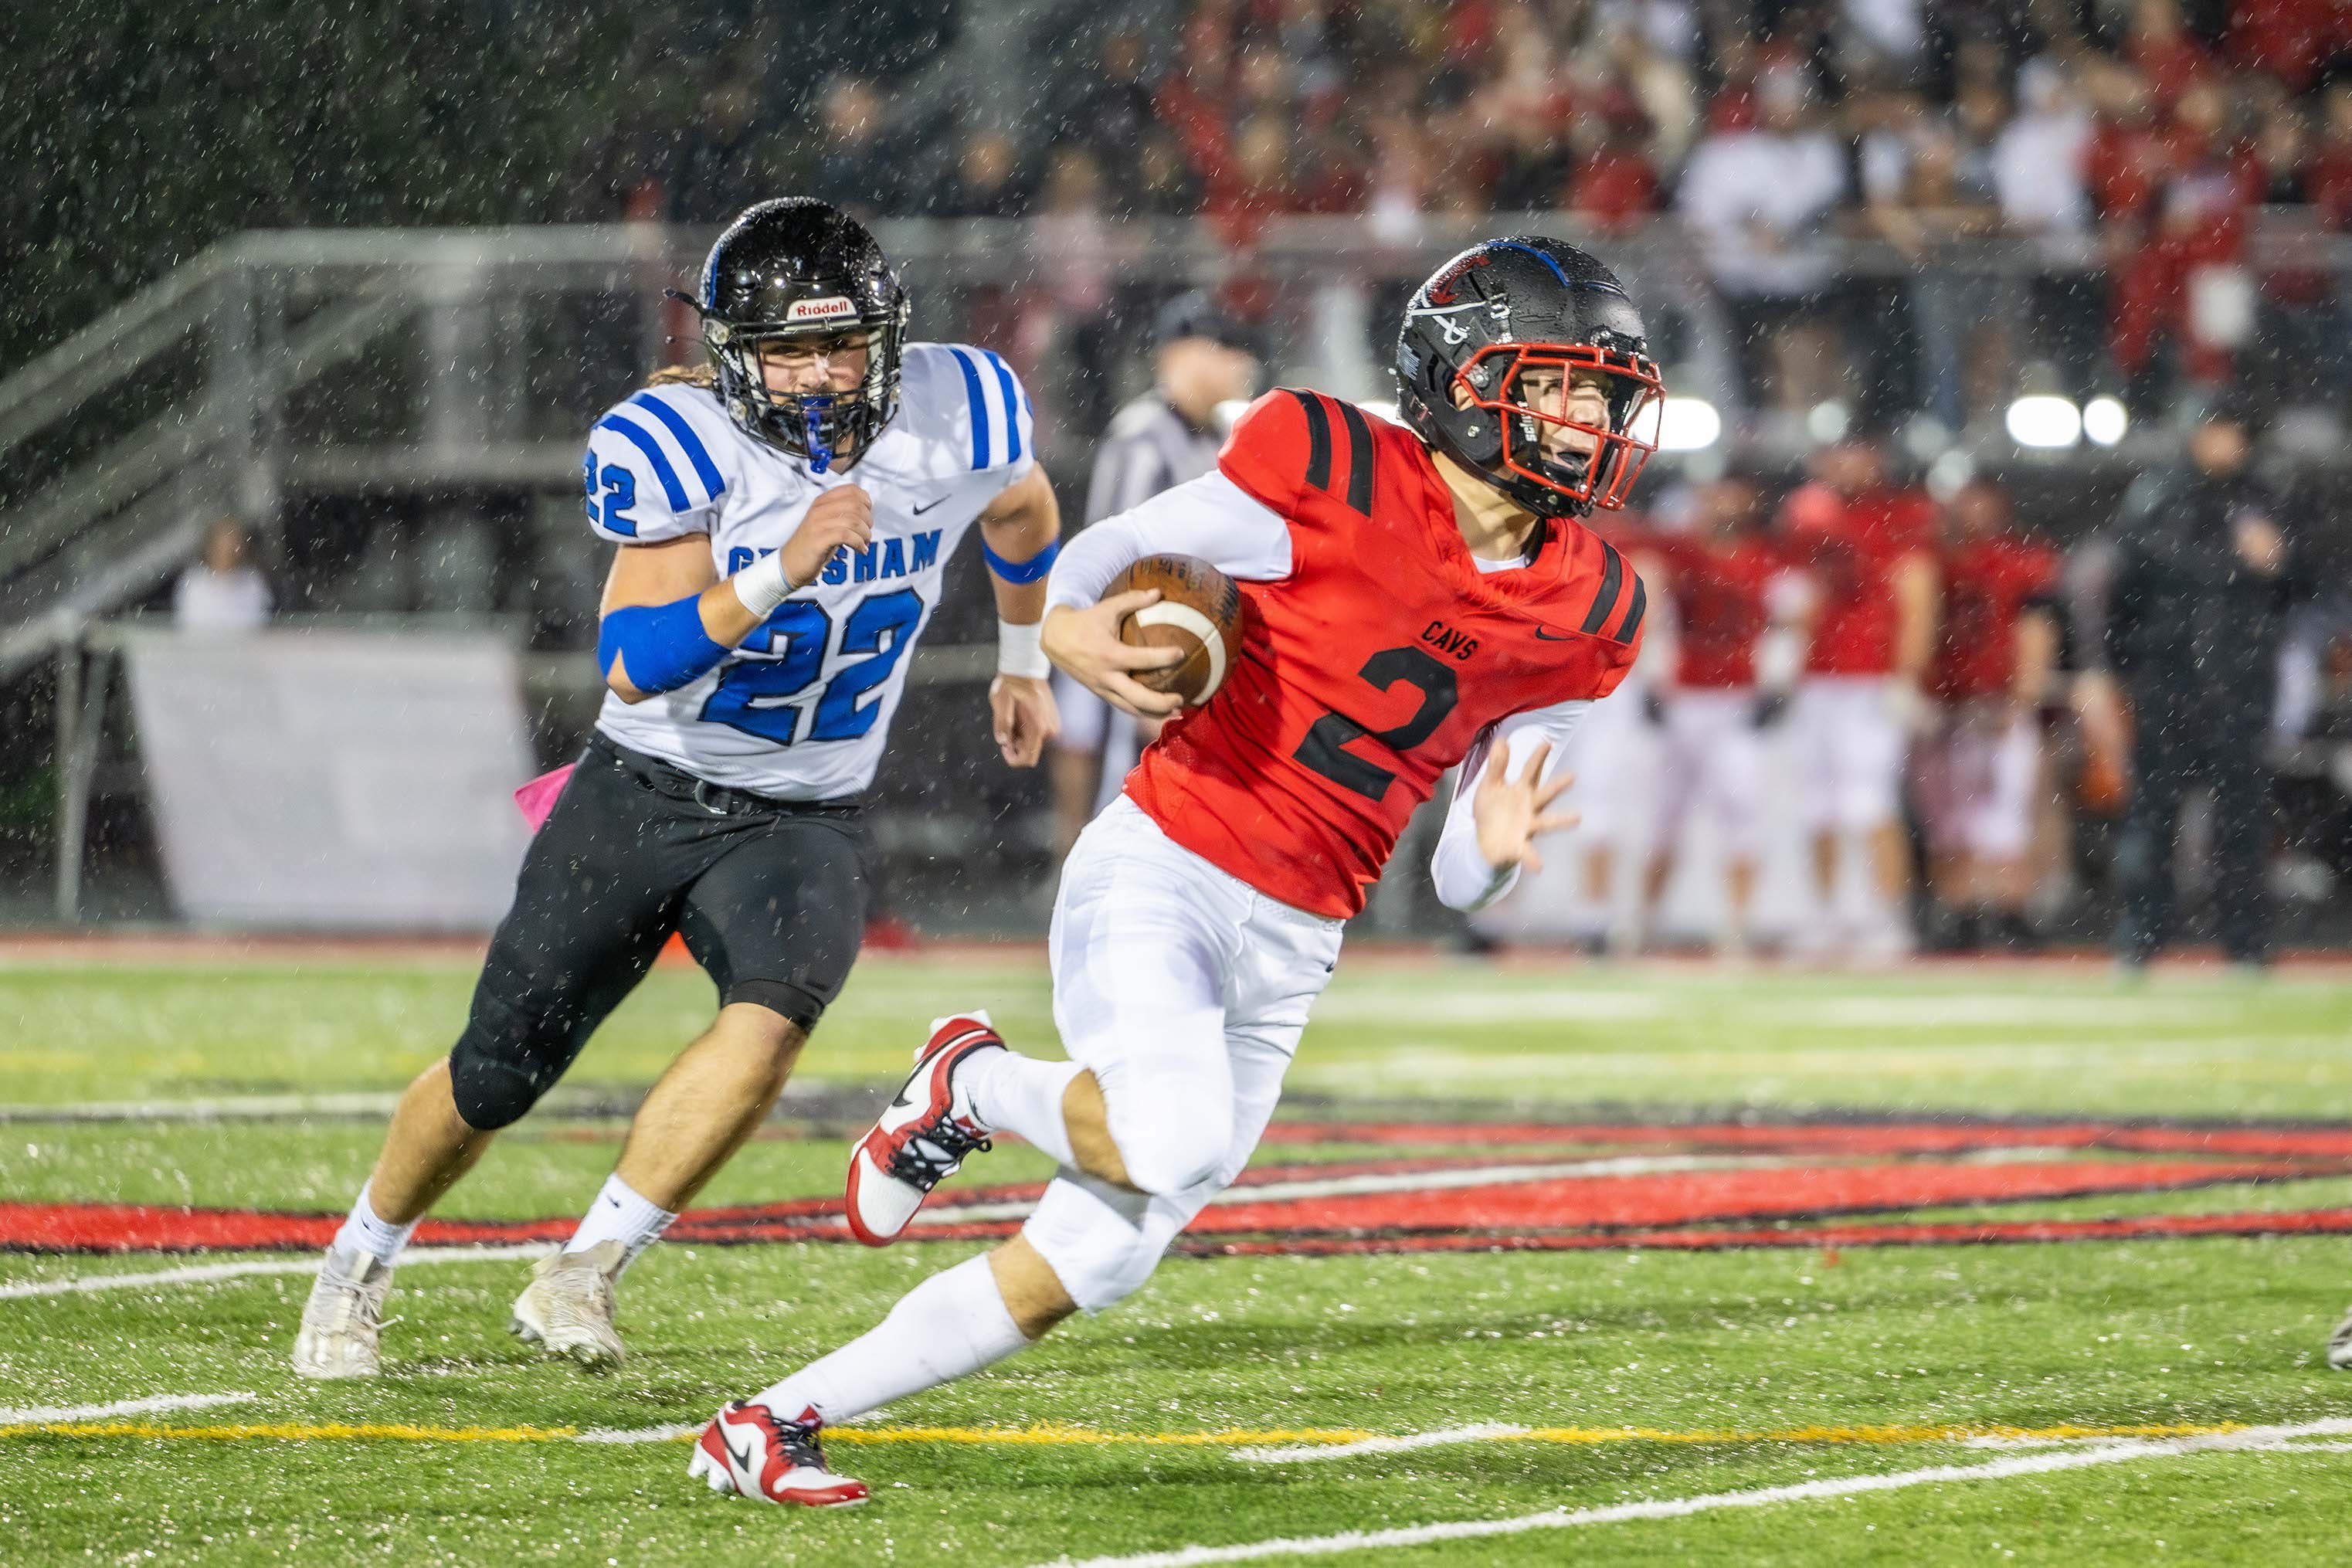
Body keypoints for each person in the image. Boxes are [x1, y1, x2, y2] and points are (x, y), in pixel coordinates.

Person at [689, 237, 1665, 1506]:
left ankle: (771, 1423)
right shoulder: (1329, 462)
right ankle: (969, 1081)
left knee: (1100, 1257)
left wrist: (1492, 844)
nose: (1588, 422)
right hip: (1173, 864)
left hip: (1304, 933)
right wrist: (1071, 632)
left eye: (1605, 394)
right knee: (1170, 1134)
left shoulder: (1592, 608)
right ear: (1461, 376)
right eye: (1557, 387)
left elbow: (1476, 873)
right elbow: (1107, 551)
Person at [291, 199, 1062, 1379]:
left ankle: (583, 1270)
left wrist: (1021, 658)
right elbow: (632, 661)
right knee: (497, 1072)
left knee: (773, 1017)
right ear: (732, 355)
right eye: (787, 349)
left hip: (808, 808)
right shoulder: (683, 440)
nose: (816, 373)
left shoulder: (961, 412)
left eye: (840, 341)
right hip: (650, 787)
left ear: (890, 336)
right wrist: (780, 567)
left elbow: (1022, 507)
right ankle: (355, 1263)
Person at [1048, 294, 1261, 859]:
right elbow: (1117, 543)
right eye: (1224, 349)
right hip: (1131, 621)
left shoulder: (1219, 435)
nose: (1240, 364)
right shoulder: (1143, 433)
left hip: (1185, 626)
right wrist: (1144, 642)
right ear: (1183, 354)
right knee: (1105, 749)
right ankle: (1082, 861)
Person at [2093, 395, 2296, 970]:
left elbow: (2303, 582)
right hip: (2169, 677)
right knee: (2153, 814)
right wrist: (2120, 667)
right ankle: (2140, 936)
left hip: (2239, 681)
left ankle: (2245, 942)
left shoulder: (2265, 495)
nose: (2223, 444)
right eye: (2214, 431)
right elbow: (2130, 582)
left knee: (2242, 818)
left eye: (2232, 432)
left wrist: (2278, 561)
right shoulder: (2157, 496)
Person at [1777, 430, 1940, 961]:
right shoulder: (1805, 514)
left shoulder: (1899, 515)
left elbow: (1917, 595)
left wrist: (1905, 675)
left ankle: (1885, 919)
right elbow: (1792, 599)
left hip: (1869, 678)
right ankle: (1824, 918)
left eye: (1857, 453)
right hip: (1815, 679)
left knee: (1870, 804)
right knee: (1817, 807)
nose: (1847, 465)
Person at [1627, 473, 1802, 956]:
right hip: (1683, 699)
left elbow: (1789, 626)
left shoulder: (1769, 562)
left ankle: (1737, 928)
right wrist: (1650, 681)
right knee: (1663, 817)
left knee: (1741, 815)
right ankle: (1640, 925)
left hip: (1738, 702)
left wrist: (1779, 687)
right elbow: (1652, 611)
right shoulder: (1677, 556)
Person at [1917, 480, 2062, 950]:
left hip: (1995, 700)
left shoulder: (2020, 561)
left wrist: (2021, 701)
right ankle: (1958, 914)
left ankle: (2009, 912)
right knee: (1948, 821)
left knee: (2006, 816)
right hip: (1945, 703)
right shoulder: (1930, 561)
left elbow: (2037, 631)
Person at [172, 517, 274, 633]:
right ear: (211, 546)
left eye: (234, 544)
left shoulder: (253, 582)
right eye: (223, 545)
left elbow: (260, 625)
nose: (229, 551)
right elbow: (187, 625)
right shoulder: (193, 582)